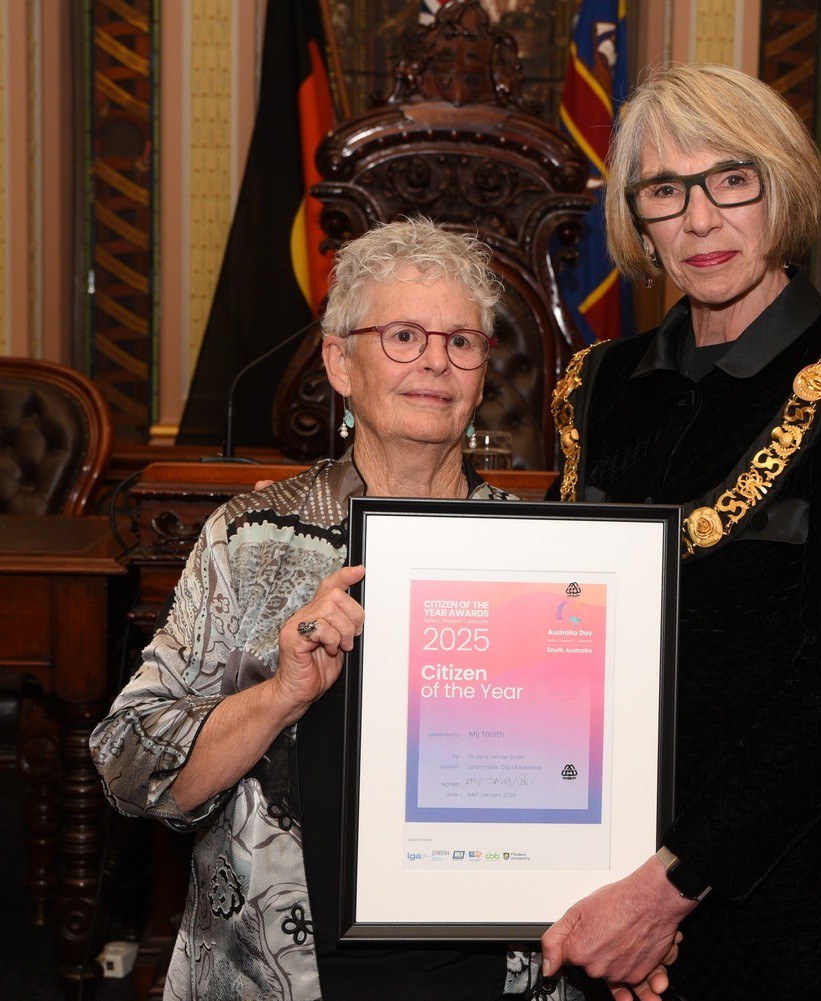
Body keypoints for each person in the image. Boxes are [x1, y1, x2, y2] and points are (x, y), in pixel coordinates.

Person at [92, 219, 663, 1000]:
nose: (436, 359)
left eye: (462, 341)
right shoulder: (251, 541)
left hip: (497, 972)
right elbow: (127, 767)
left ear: (482, 373)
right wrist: (278, 695)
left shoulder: (548, 556)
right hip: (280, 972)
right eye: (403, 335)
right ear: (339, 361)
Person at [540, 65, 821, 1001]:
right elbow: (558, 644)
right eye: (666, 192)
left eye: (731, 179)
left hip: (787, 877)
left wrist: (667, 887)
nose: (702, 220)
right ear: (639, 220)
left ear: (782, 185)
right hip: (598, 859)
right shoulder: (595, 384)